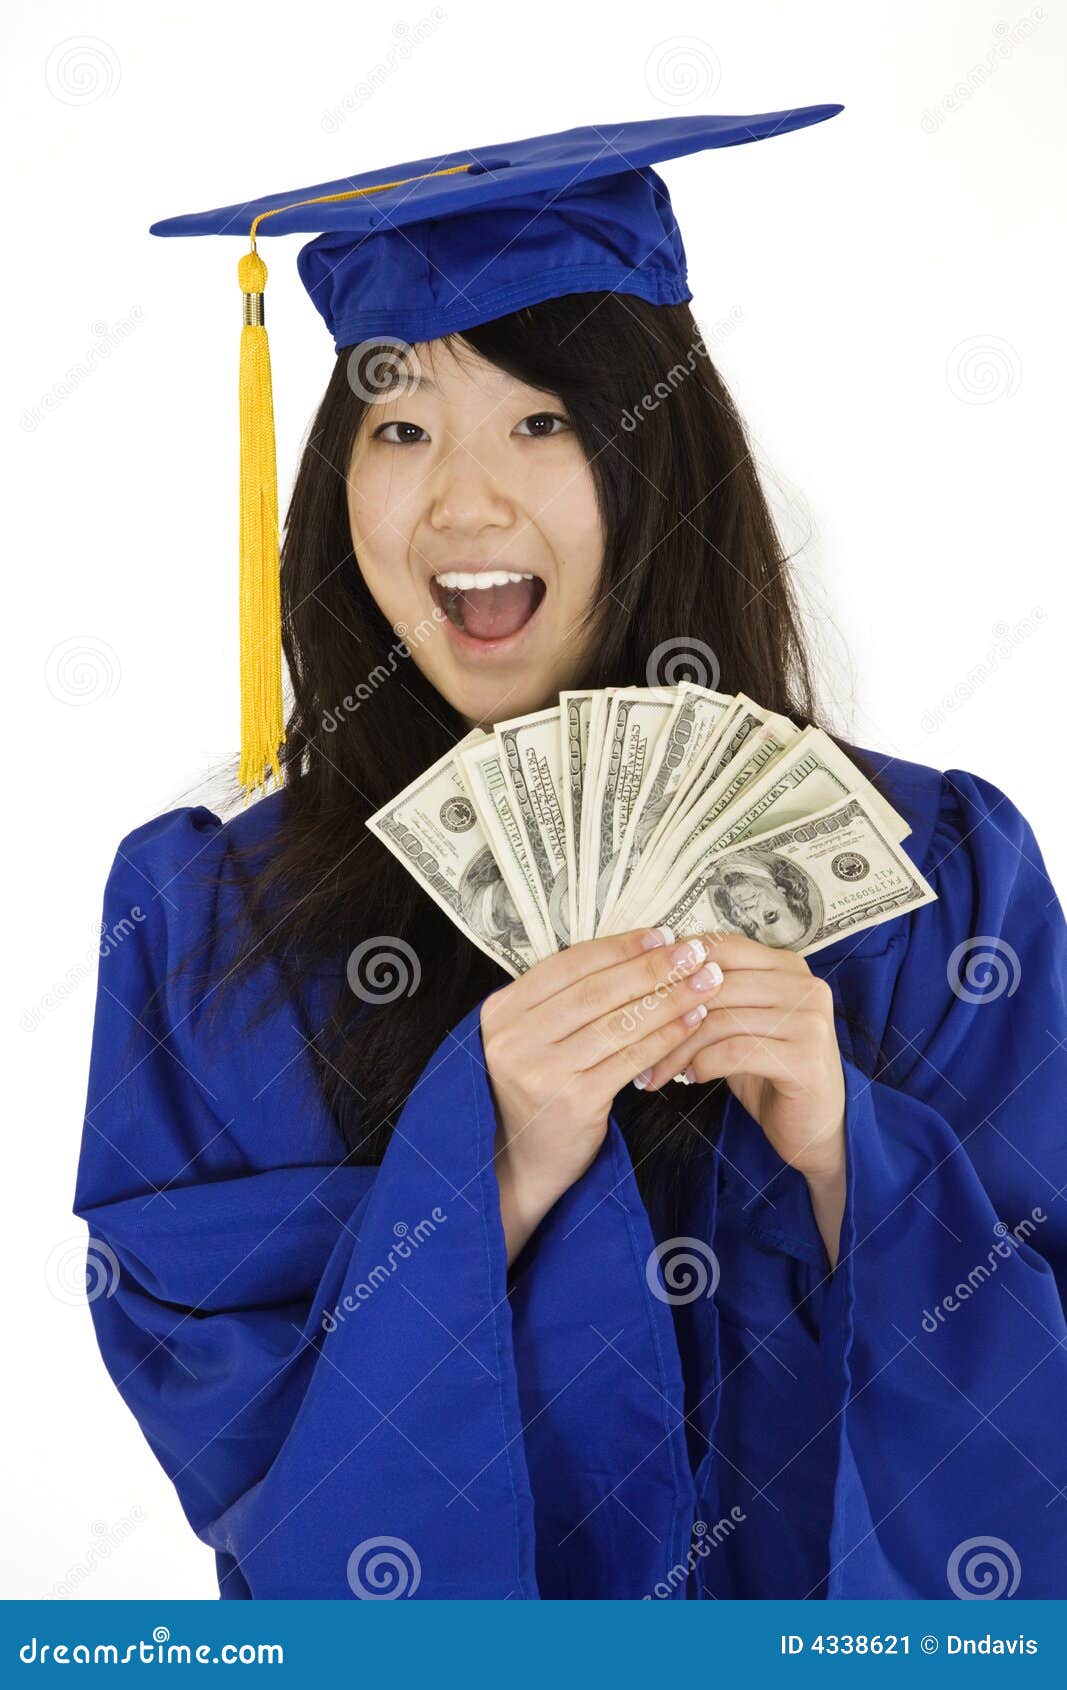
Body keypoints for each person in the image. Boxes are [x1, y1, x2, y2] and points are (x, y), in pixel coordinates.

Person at [73, 110, 1067, 1601]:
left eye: (542, 422)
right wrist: (483, 1173)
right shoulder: (217, 926)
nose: (464, 501)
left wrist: (847, 1155)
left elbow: (1038, 1454)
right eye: (398, 426)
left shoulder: (934, 879)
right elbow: (244, 1462)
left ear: (658, 455)